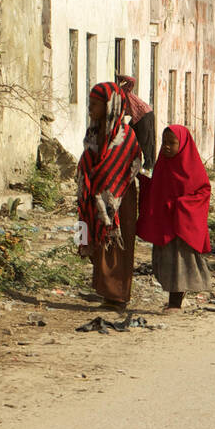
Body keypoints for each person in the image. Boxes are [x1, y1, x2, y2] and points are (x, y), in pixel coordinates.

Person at [77, 82, 143, 309]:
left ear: (110, 106)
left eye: (94, 104)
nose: (90, 109)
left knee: (117, 245)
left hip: (119, 201)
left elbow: (124, 167)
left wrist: (103, 186)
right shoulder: (94, 133)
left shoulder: (127, 136)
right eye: (90, 104)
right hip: (96, 199)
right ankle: (105, 291)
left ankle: (118, 296)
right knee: (100, 245)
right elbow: (89, 160)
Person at [137, 125, 212, 313]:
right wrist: (142, 180)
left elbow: (203, 192)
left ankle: (175, 303)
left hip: (182, 227)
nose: (167, 147)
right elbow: (156, 189)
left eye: (172, 143)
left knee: (180, 263)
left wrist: (180, 205)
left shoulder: (191, 167)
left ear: (183, 143)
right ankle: (175, 300)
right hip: (165, 225)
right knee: (166, 262)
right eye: (164, 143)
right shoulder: (162, 164)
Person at [116, 74, 155, 175]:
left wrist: (120, 77)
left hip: (143, 114)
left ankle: (148, 166)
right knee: (129, 137)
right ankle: (132, 163)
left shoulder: (122, 91)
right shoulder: (115, 103)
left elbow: (132, 80)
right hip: (137, 118)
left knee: (145, 140)